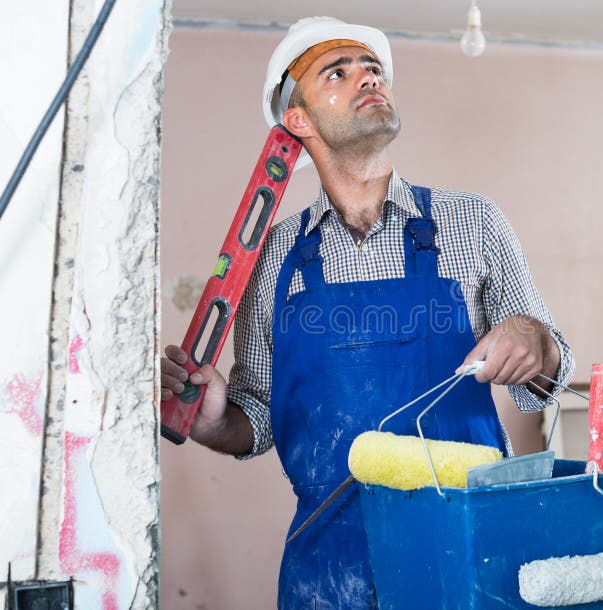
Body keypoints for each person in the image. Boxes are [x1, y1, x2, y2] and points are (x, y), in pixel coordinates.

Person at [161, 16, 575, 609]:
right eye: (339, 72)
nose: (369, 79)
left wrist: (540, 342)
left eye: (374, 69)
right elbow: (257, 419)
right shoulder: (271, 257)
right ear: (297, 120)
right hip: (328, 569)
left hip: (467, 548)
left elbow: (549, 379)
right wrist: (214, 420)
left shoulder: (473, 223)